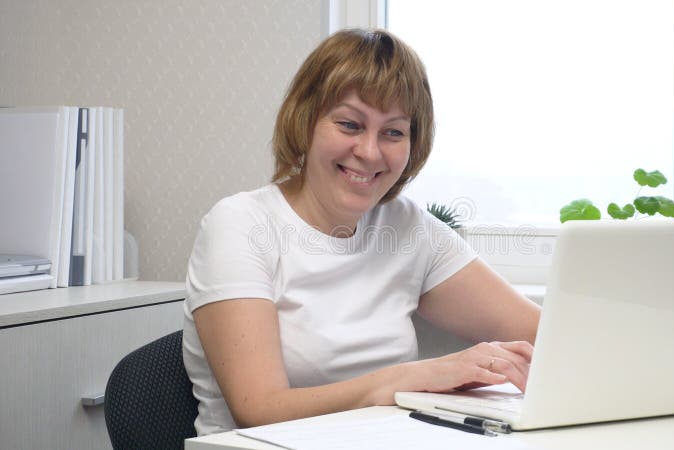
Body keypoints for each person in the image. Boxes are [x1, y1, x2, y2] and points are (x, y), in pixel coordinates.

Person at [182, 28, 542, 436]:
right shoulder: (240, 225)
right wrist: (406, 379)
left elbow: (547, 333)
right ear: (305, 120)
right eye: (350, 125)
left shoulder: (407, 228)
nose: (370, 152)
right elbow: (260, 409)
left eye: (393, 132)